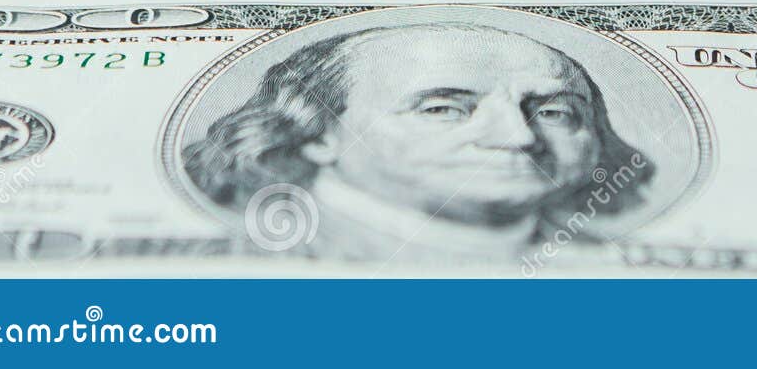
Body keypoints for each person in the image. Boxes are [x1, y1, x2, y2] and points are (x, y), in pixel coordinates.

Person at [183, 20, 653, 262]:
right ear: (318, 131)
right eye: (442, 109)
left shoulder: (617, 262)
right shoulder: (245, 258)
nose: (518, 136)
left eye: (554, 112)